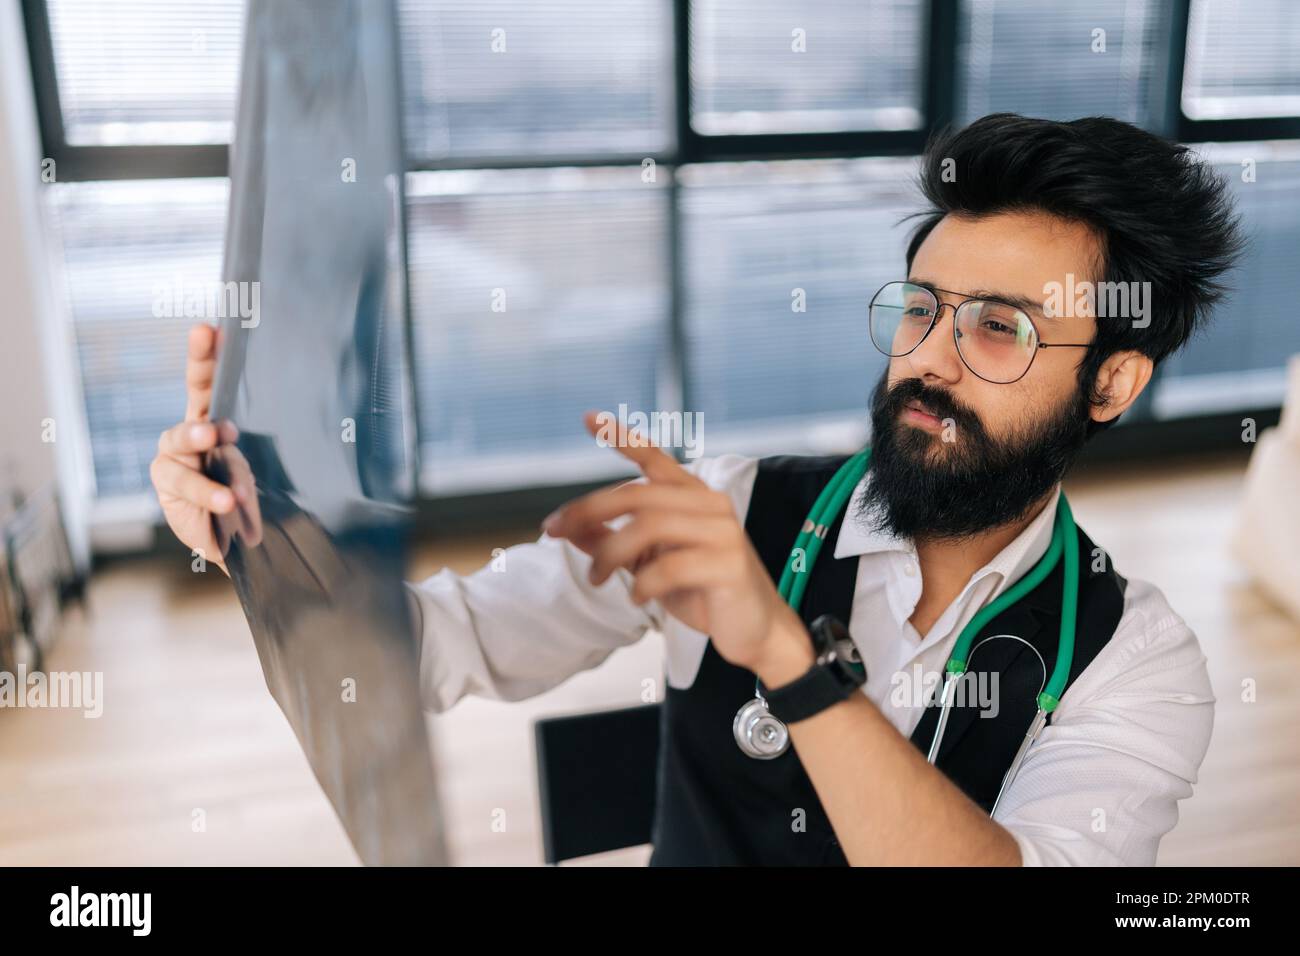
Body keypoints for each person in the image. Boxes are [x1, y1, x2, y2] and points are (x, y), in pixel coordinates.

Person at [150, 113, 1244, 866]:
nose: (929, 361)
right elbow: (427, 647)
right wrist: (255, 519)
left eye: (998, 326)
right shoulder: (729, 507)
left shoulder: (1134, 662)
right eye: (920, 308)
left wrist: (786, 656)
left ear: (1112, 380)